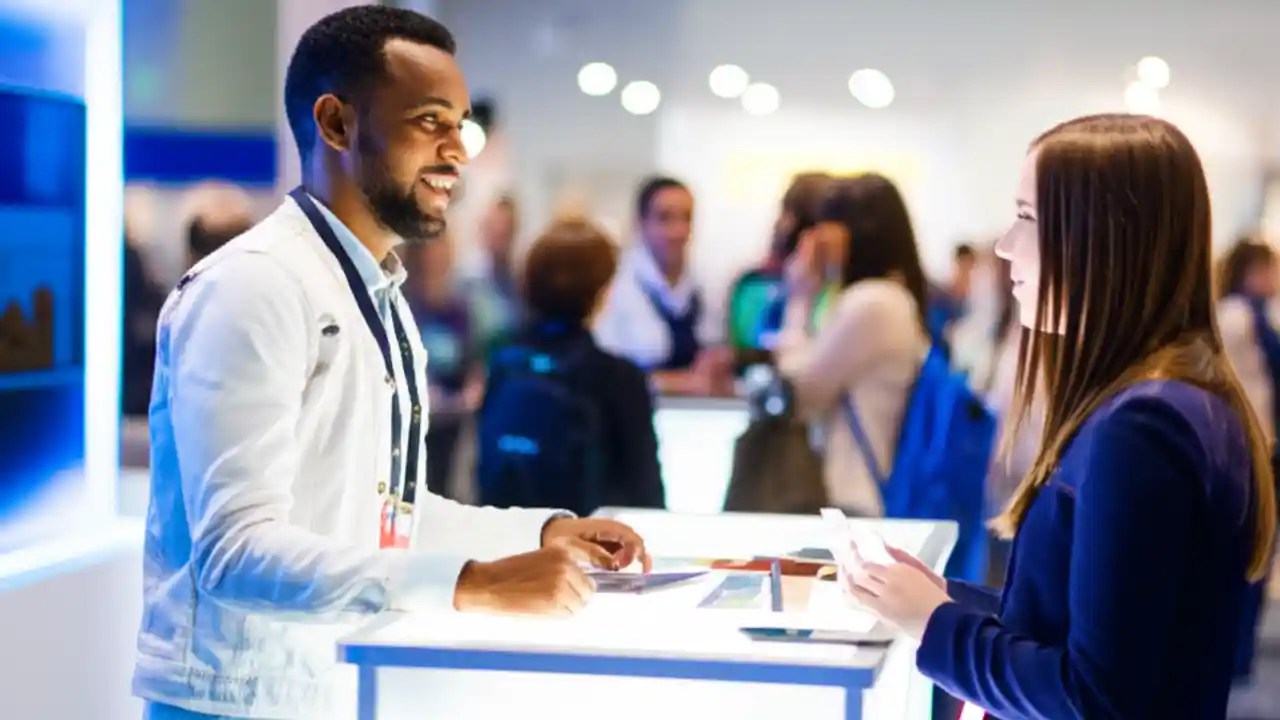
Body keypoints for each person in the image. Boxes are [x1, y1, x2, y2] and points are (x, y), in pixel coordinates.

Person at [132, 8, 649, 720]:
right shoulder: (252, 286)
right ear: (337, 124)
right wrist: (476, 584)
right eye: (430, 121)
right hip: (236, 703)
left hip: (333, 682)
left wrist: (542, 533)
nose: (459, 151)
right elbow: (235, 551)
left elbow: (386, 515)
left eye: (461, 124)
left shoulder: (375, 290)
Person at [848, 114, 1277, 719]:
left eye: (1026, 217)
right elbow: (1091, 625)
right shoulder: (1171, 401)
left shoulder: (1143, 425)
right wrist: (942, 599)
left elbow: (1097, 697)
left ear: (1104, 237)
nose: (1004, 246)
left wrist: (932, 622)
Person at [478, 216, 665, 516]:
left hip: (507, 550)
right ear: (602, 292)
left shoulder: (504, 364)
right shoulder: (618, 378)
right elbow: (647, 496)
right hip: (587, 550)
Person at [775, 174, 930, 516]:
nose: (815, 238)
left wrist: (799, 298)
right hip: (864, 494)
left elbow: (800, 392)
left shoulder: (872, 302)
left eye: (825, 225)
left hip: (858, 497)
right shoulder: (888, 297)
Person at [593, 175, 731, 395]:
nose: (678, 231)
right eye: (665, 218)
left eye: (686, 218)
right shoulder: (615, 288)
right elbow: (604, 374)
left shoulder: (705, 287)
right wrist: (678, 382)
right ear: (640, 223)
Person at [402, 234, 483, 499]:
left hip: (450, 420)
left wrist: (471, 392)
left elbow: (472, 361)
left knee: (444, 490)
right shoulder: (405, 301)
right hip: (413, 418)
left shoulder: (458, 308)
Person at [1218, 239, 1280, 439]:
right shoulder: (1235, 314)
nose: (1275, 277)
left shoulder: (1260, 312)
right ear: (1252, 272)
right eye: (1270, 269)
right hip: (1249, 419)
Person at [464, 194, 524, 366]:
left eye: (505, 231)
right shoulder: (468, 280)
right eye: (494, 229)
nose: (498, 237)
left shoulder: (522, 281)